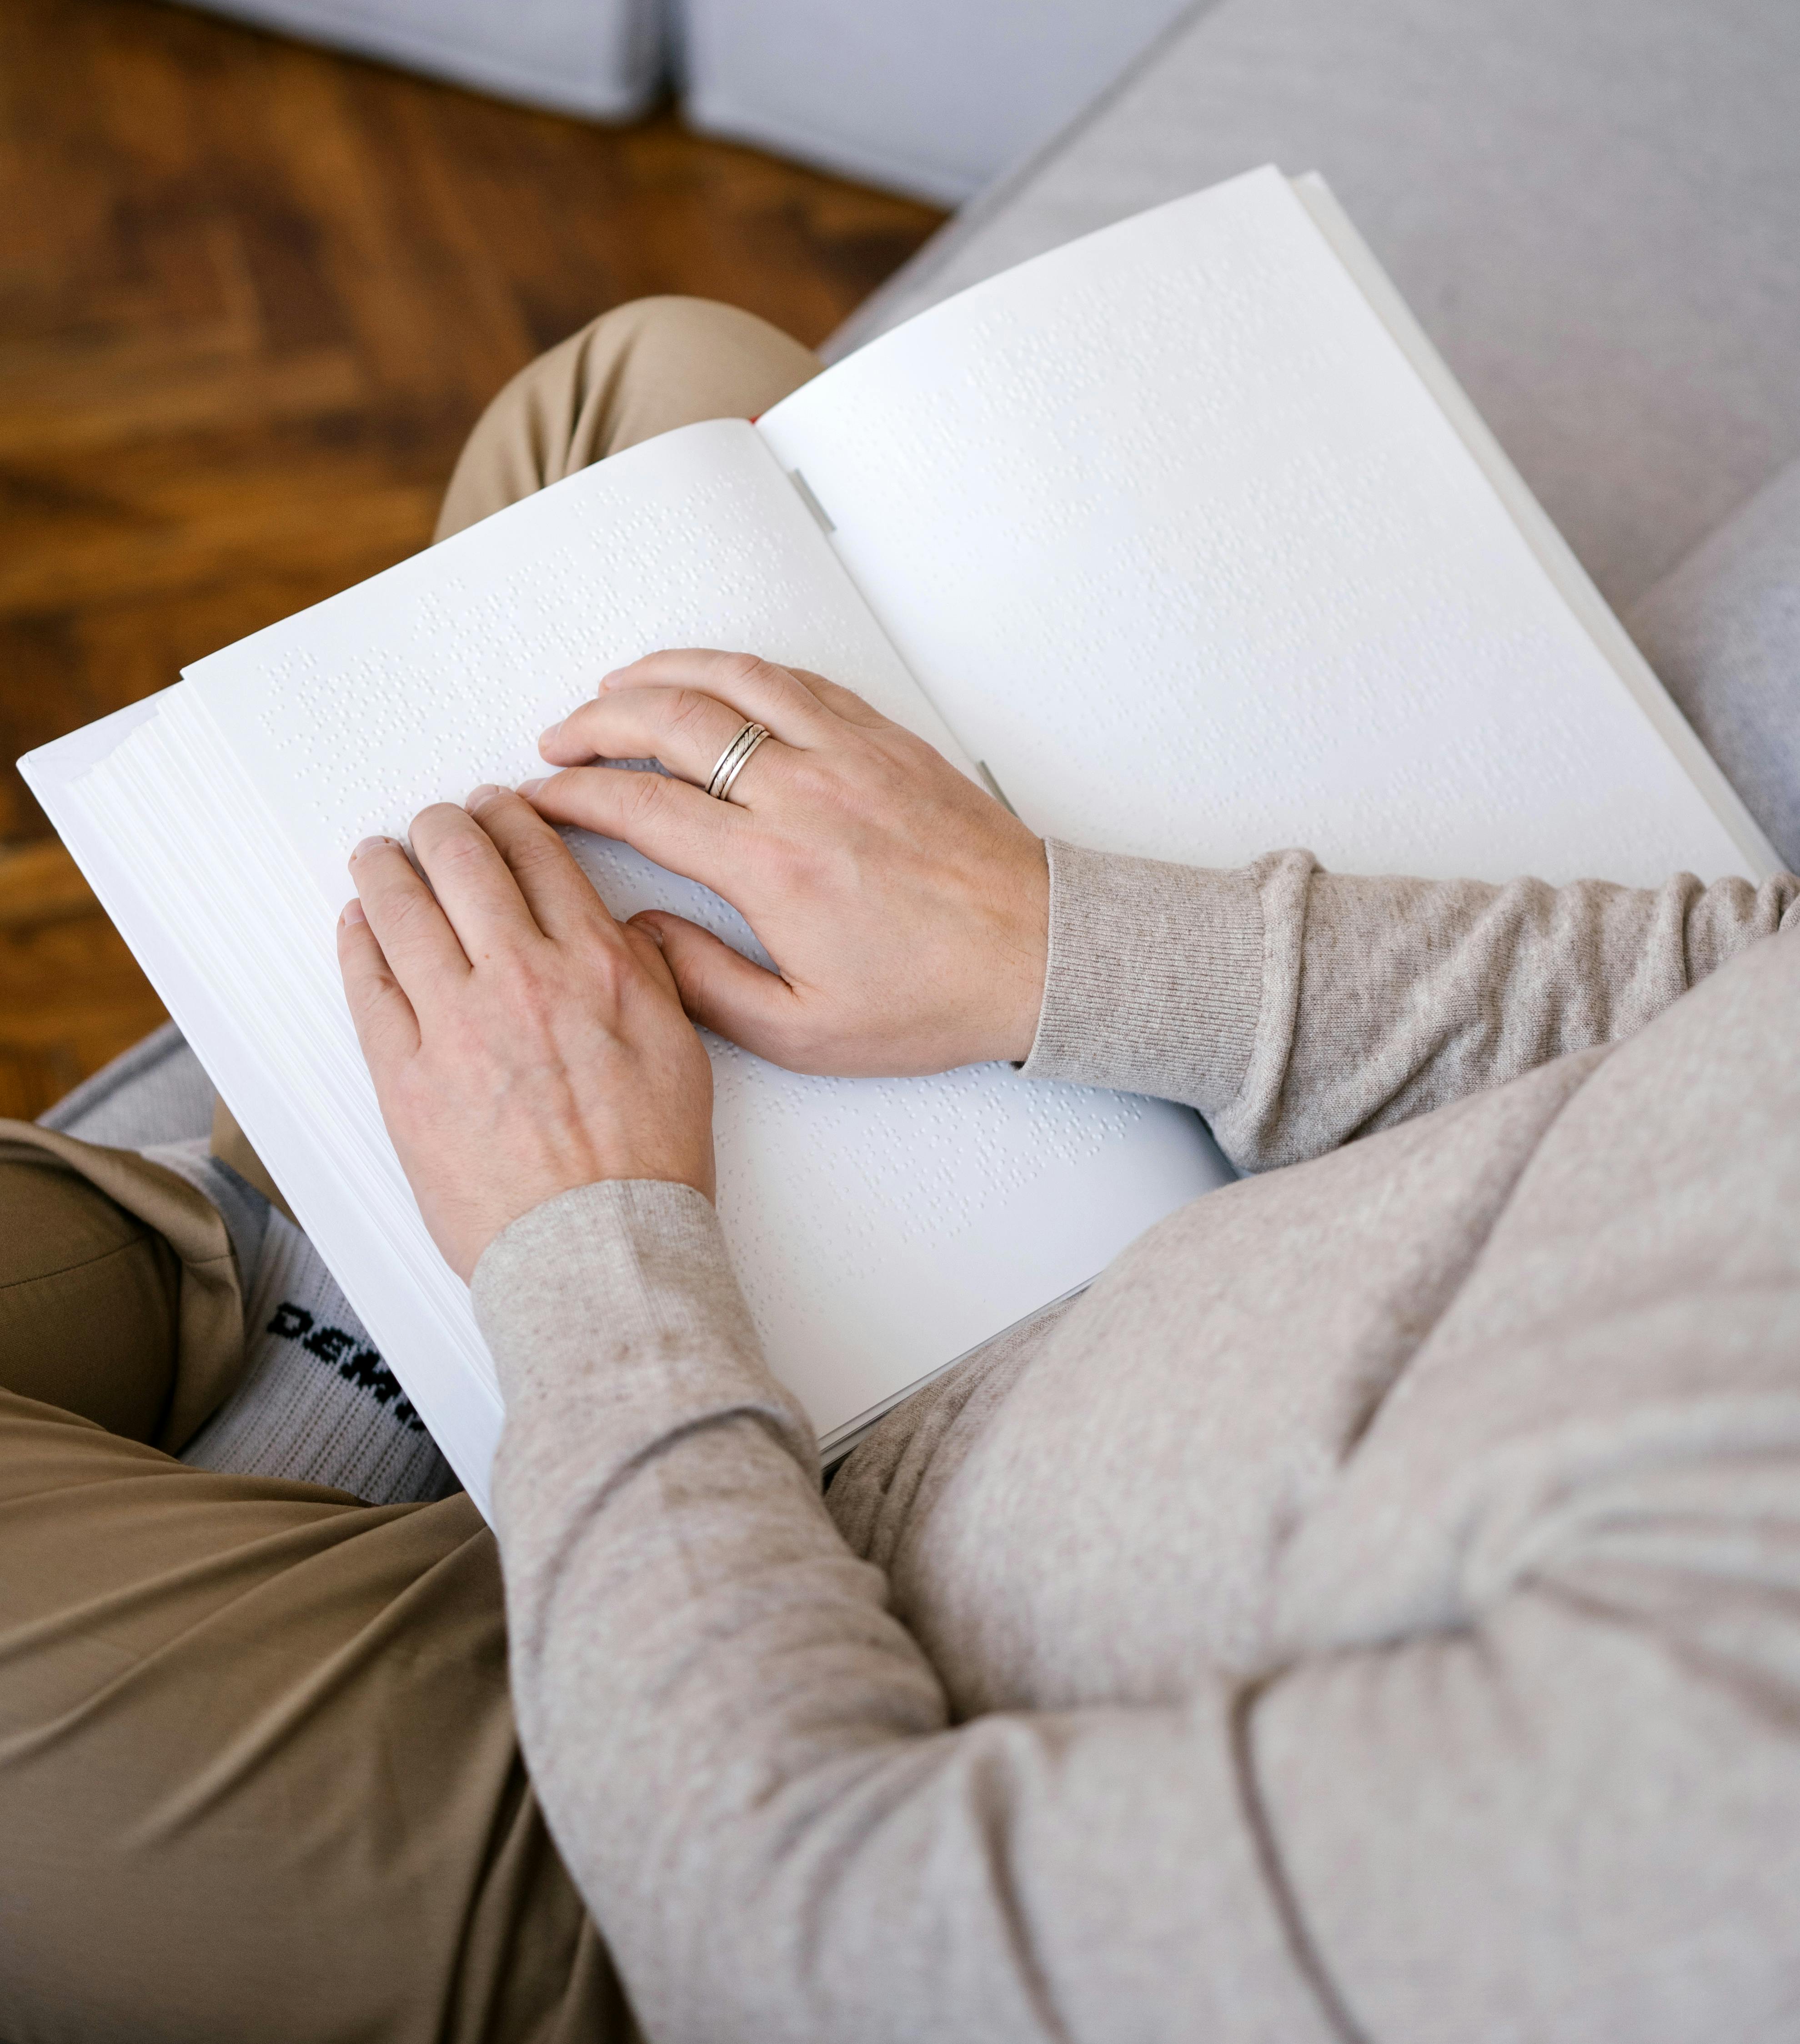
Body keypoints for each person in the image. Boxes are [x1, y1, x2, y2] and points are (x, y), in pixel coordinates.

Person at [3, 299, 1797, 2043]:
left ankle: (391, 1339)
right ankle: (370, 1333)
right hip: (1118, 1289)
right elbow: (1740, 990)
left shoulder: (1722, 1811)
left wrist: (579, 1241)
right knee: (663, 390)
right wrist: (1053, 942)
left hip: (727, 1781)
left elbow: (806, 1940)